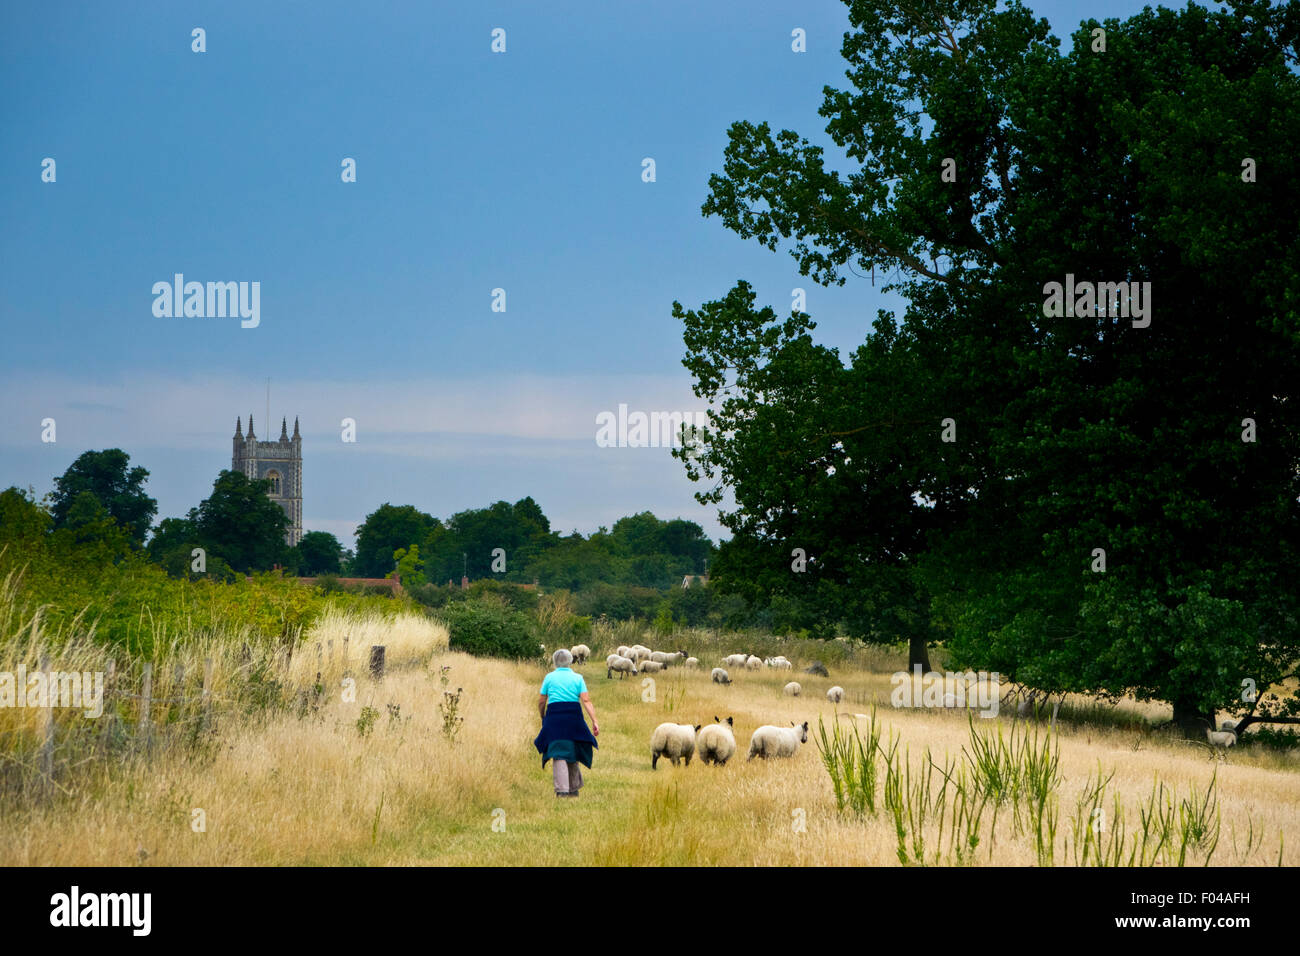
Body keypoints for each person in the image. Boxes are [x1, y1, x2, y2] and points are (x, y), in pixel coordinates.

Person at [534, 649, 599, 797]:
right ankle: (573, 788)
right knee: (572, 749)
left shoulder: (549, 677)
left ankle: (562, 790)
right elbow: (586, 700)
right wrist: (594, 721)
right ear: (570, 661)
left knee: (558, 751)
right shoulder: (578, 678)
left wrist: (542, 715)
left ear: (554, 661)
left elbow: (542, 700)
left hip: (554, 716)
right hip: (573, 716)